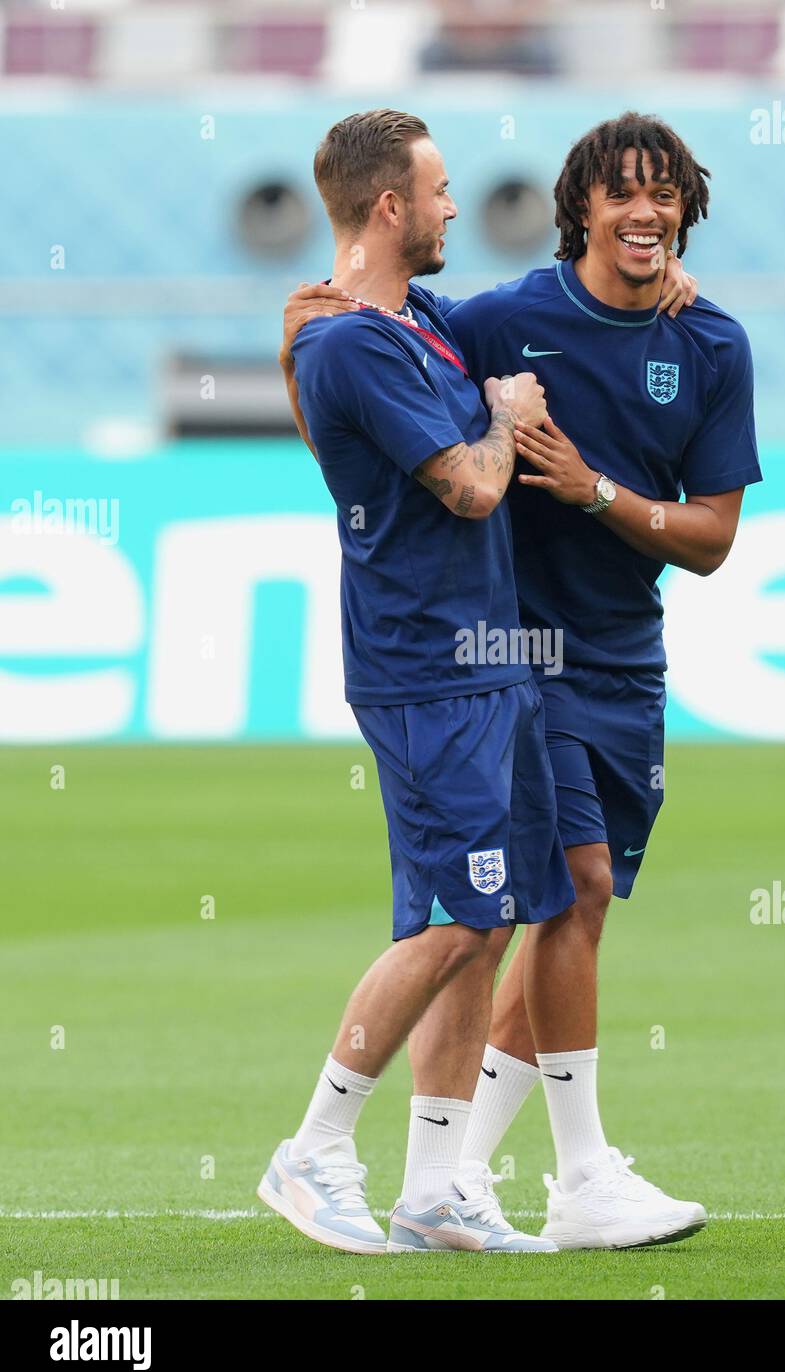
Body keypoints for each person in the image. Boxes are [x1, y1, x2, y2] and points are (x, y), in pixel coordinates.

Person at [280, 110, 761, 1249]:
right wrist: (508, 423)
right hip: (468, 662)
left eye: (664, 196)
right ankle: (349, 1152)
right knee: (509, 903)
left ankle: (447, 1179)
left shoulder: (695, 342)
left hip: (572, 660)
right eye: (621, 194)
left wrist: (594, 483)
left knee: (522, 909)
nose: (643, 213)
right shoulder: (472, 325)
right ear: (582, 208)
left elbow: (712, 537)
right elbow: (438, 441)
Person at [259, 108, 574, 1255]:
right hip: (425, 667)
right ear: (387, 206)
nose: (453, 208)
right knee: (454, 920)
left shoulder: (413, 321)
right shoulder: (351, 346)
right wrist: (505, 421)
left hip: (488, 662)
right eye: (437, 192)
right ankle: (312, 1148)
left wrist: (658, 276)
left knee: (485, 922)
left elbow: (525, 311)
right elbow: (472, 489)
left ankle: (438, 1185)